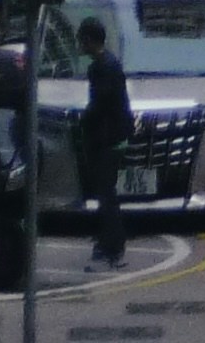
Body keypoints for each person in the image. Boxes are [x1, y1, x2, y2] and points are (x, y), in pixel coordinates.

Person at [77, 14, 134, 272]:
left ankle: (113, 244)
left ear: (89, 40)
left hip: (106, 140)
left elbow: (101, 104)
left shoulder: (102, 68)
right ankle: (107, 241)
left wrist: (84, 120)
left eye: (81, 40)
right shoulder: (109, 64)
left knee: (106, 194)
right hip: (114, 137)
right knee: (106, 192)